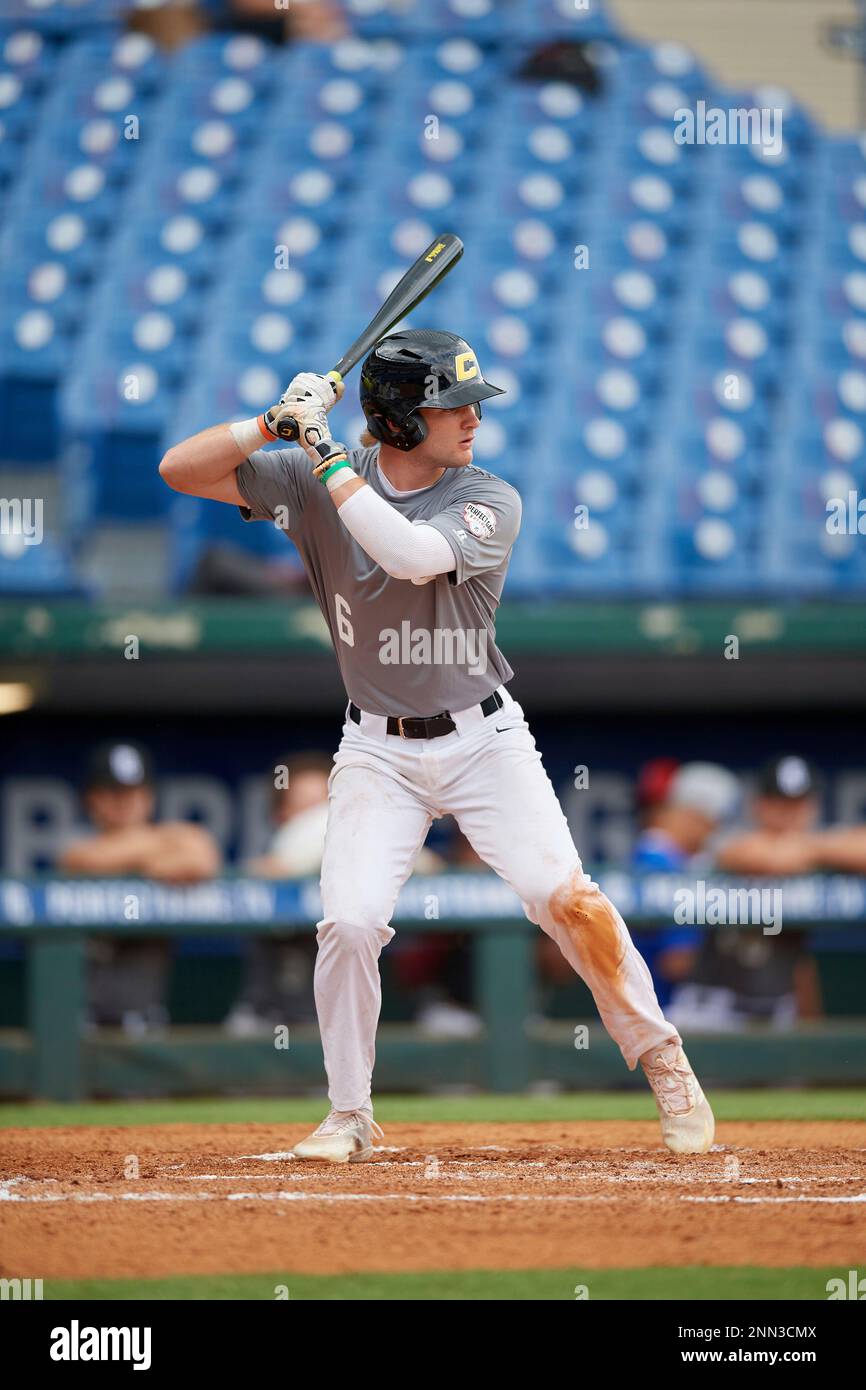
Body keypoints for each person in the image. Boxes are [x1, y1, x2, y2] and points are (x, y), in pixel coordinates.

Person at [159, 328, 715, 1159]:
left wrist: (323, 449)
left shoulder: (487, 495)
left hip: (483, 737)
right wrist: (272, 423)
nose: (471, 421)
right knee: (347, 923)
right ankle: (350, 1113)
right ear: (398, 417)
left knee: (564, 898)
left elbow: (412, 554)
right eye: (450, 405)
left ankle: (664, 1060)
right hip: (376, 749)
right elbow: (179, 469)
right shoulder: (310, 473)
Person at [59, 741, 221, 1034]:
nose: (124, 802)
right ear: (92, 799)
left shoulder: (174, 841)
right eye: (112, 792)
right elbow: (89, 859)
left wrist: (140, 856)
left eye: (133, 792)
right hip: (83, 1025)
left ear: (149, 797)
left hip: (143, 1021)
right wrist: (156, 856)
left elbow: (201, 858)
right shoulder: (79, 852)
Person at [631, 761, 741, 1008]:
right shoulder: (660, 865)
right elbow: (677, 962)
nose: (715, 831)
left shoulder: (663, 858)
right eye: (716, 822)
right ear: (695, 816)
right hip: (657, 1021)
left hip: (649, 1021)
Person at [716, 755, 866, 876]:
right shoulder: (734, 838)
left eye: (798, 803)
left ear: (815, 805)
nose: (790, 813)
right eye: (781, 803)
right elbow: (767, 860)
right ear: (757, 804)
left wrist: (809, 848)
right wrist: (826, 852)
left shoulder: (822, 836)